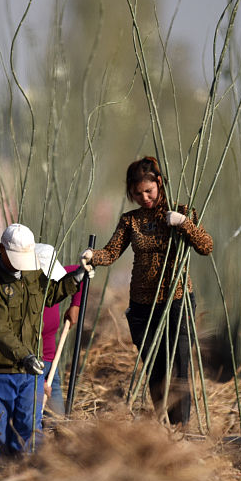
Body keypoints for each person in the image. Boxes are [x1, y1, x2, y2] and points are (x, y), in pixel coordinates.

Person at [81, 156, 213, 425]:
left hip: (176, 300)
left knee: (178, 367)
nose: (144, 197)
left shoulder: (181, 210)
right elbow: (111, 252)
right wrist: (92, 256)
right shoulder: (130, 221)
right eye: (137, 193)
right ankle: (163, 421)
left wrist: (183, 223)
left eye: (149, 191)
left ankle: (181, 429)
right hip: (142, 305)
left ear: (160, 183)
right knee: (154, 368)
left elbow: (206, 246)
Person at [0, 224, 90, 459]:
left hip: (29, 373)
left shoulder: (32, 272)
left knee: (30, 433)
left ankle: (29, 480)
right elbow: (0, 332)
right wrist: (25, 356)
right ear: (1, 250)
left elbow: (51, 294)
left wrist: (75, 279)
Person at [33, 242, 83, 420]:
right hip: (30, 371)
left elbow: (79, 272)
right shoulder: (25, 297)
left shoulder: (55, 282)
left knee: (58, 423)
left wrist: (75, 305)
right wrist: (38, 383)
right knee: (32, 425)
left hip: (51, 366)